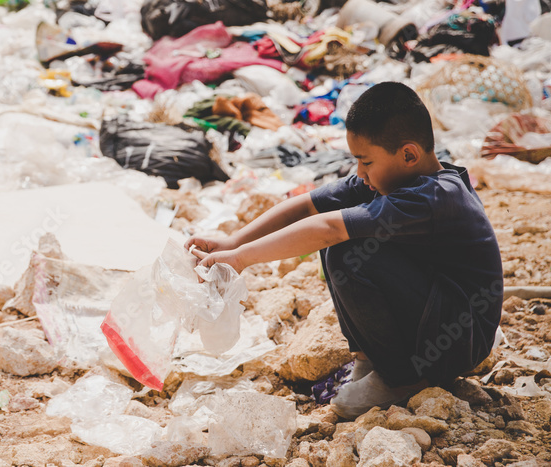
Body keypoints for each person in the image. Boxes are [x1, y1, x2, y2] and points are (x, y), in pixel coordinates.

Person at [187, 82, 503, 419]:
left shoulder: (435, 197)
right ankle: (374, 360)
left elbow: (327, 229)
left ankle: (403, 379)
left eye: (365, 161)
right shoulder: (390, 177)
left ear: (408, 154)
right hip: (441, 315)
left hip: (459, 340)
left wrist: (242, 259)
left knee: (346, 251)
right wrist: (234, 242)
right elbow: (308, 206)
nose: (359, 172)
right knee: (341, 237)